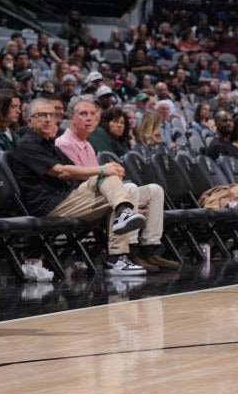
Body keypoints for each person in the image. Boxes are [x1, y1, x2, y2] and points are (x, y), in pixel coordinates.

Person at [11, 97, 151, 276]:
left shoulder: (50, 145)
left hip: (67, 198)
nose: (47, 119)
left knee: (113, 194)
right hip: (51, 205)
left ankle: (118, 257)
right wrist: (103, 169)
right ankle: (123, 222)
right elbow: (62, 171)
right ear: (29, 120)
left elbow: (79, 171)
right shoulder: (27, 146)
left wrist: (107, 172)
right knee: (107, 176)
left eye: (51, 115)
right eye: (41, 115)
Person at [55, 96, 177, 272]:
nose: (89, 117)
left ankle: (150, 248)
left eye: (92, 113)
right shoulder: (63, 143)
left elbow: (98, 177)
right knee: (129, 188)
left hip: (101, 193)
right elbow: (78, 179)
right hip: (81, 198)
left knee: (154, 191)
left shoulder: (87, 144)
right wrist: (124, 196)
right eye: (83, 113)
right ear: (72, 118)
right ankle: (130, 250)